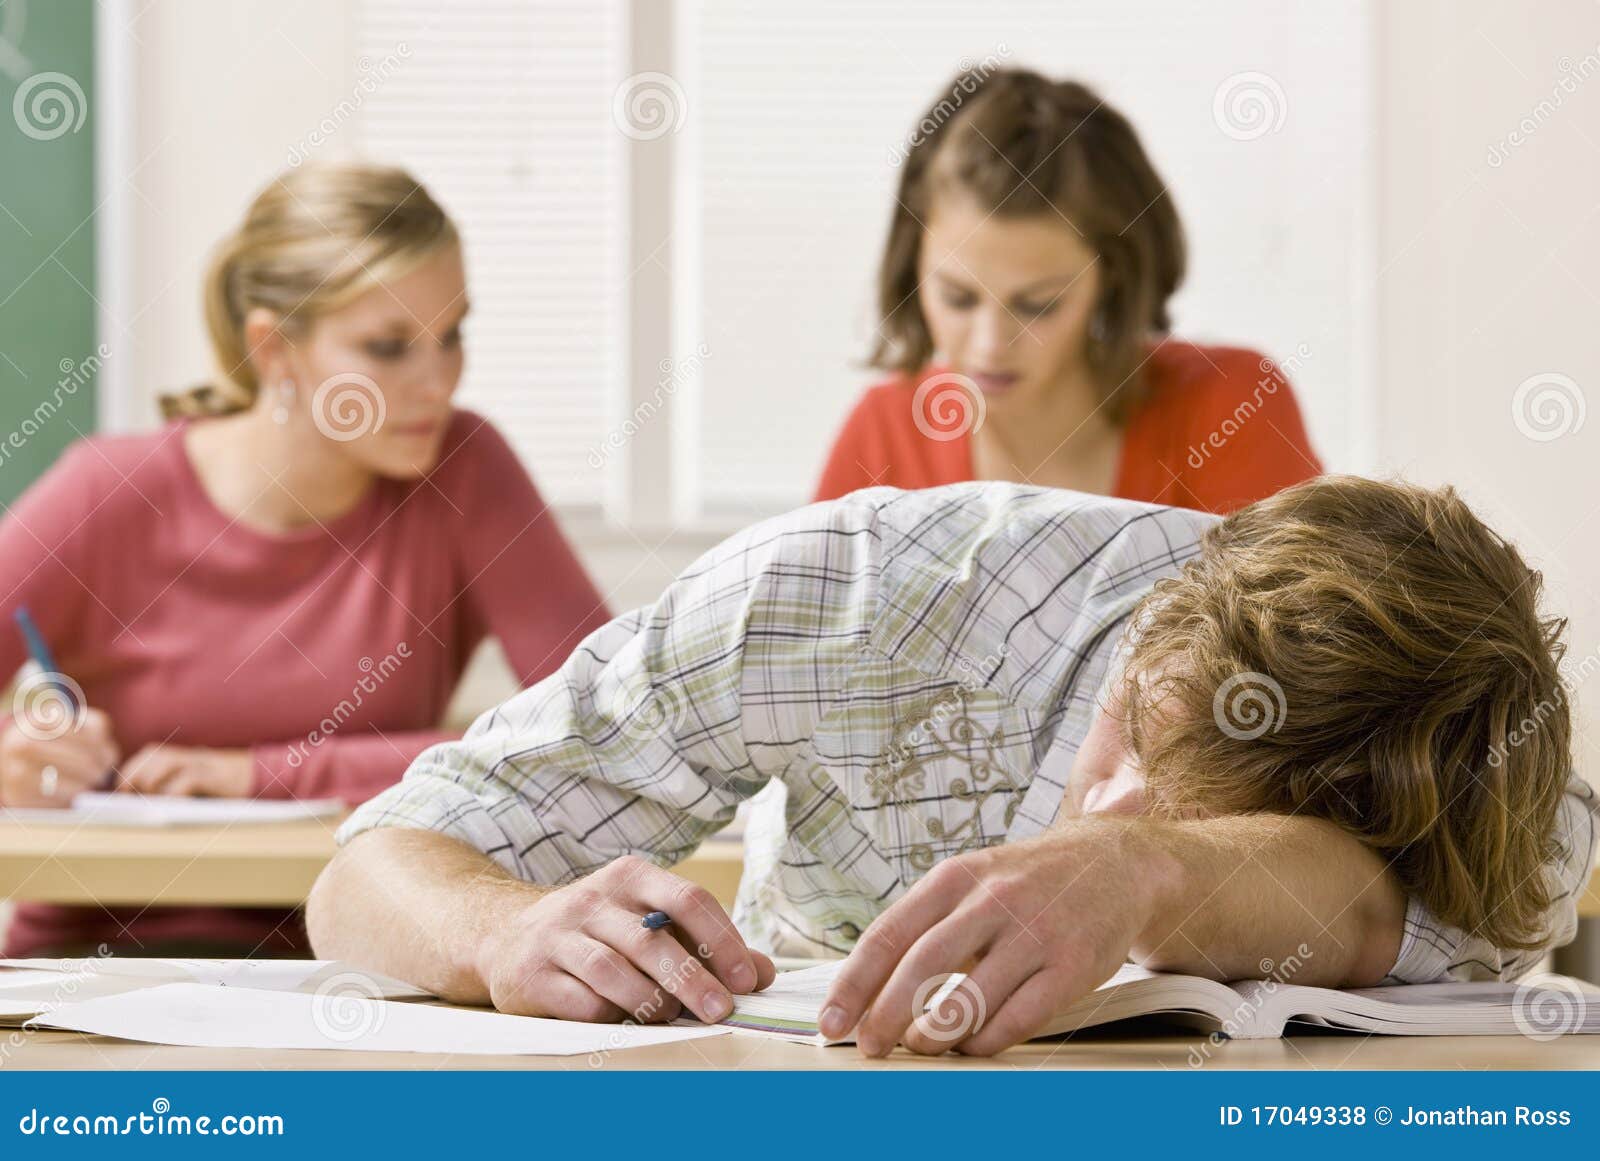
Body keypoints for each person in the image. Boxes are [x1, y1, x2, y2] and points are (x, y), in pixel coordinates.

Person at [308, 475, 1596, 1057]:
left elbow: (1382, 911)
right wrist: (503, 931)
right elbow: (371, 867)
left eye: (1191, 816)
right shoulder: (856, 592)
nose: (1101, 808)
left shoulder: (1504, 800)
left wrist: (1146, 872)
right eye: (1128, 740)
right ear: (1164, 620)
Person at [0, 162, 612, 957]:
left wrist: (257, 772)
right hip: (90, 979)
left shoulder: (465, 468)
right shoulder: (107, 492)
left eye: (452, 334)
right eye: (389, 346)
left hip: (371, 976)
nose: (437, 381)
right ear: (274, 347)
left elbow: (601, 726)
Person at [816, 68, 1320, 514]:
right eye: (957, 298)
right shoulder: (882, 437)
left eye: (1039, 305)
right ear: (911, 267)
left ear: (1112, 279)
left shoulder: (1232, 408)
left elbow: (1314, 619)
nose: (990, 345)